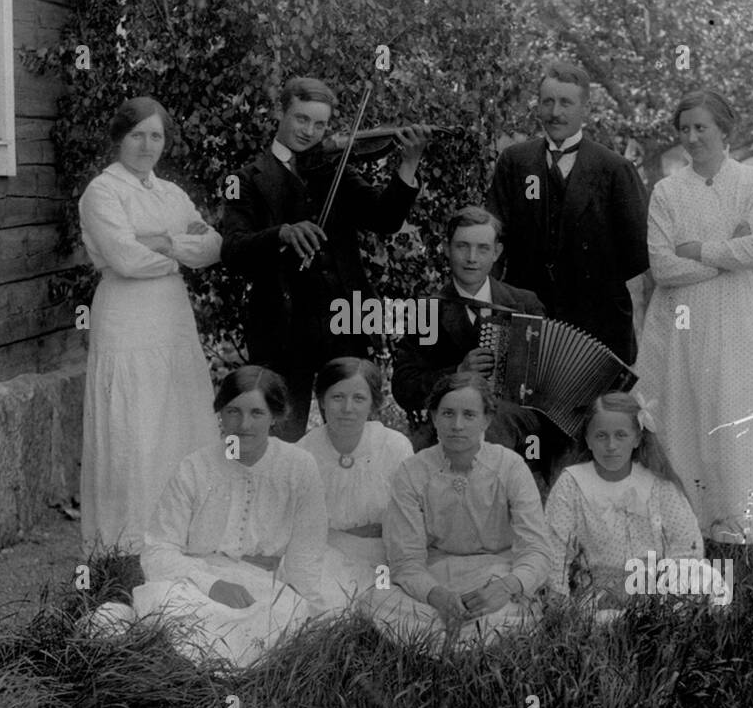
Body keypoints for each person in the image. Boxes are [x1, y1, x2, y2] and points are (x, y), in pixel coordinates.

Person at [221, 77, 433, 441]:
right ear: (280, 112)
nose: (310, 132)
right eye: (302, 119)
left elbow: (384, 218)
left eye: (320, 125)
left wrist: (409, 163)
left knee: (355, 431)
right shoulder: (246, 179)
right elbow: (233, 251)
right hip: (283, 325)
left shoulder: (332, 170)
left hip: (345, 318)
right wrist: (281, 233)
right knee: (282, 436)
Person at [634, 89, 753, 544]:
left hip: (735, 317)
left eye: (702, 127)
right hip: (679, 320)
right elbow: (663, 266)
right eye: (685, 129)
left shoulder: (751, 182)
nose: (693, 137)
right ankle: (685, 526)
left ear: (724, 130)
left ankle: (744, 525)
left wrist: (700, 249)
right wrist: (727, 253)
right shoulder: (667, 191)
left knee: (736, 409)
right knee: (681, 410)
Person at [78, 96, 222, 554]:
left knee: (178, 416)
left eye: (155, 135)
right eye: (136, 134)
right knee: (133, 429)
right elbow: (123, 258)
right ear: (120, 137)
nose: (146, 145)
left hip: (172, 316)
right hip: (126, 317)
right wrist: (175, 245)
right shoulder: (102, 192)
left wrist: (159, 241)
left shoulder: (170, 193)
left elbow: (213, 246)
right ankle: (127, 547)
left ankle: (184, 539)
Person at [132, 367, 331, 666]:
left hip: (266, 584)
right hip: (198, 581)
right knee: (164, 601)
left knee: (282, 616)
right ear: (220, 415)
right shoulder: (195, 468)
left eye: (257, 413)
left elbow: (307, 553)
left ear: (275, 416)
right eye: (233, 411)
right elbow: (157, 550)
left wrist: (306, 612)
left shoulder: (299, 467)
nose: (244, 424)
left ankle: (223, 668)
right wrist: (212, 585)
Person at [372, 372, 555, 645]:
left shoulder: (511, 466)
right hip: (435, 576)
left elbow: (537, 550)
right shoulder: (411, 472)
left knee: (511, 608)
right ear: (433, 417)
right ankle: (461, 636)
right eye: (447, 414)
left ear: (487, 420)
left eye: (469, 415)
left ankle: (455, 638)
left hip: (495, 574)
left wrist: (505, 588)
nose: (457, 425)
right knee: (380, 599)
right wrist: (438, 596)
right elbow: (405, 561)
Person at [485, 60, 649, 364]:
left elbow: (637, 251)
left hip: (597, 322)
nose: (555, 112)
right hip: (526, 318)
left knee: (592, 409)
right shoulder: (514, 162)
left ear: (584, 109)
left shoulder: (615, 169)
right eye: (548, 102)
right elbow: (494, 236)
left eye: (566, 103)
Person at [391, 206, 558, 469]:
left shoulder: (524, 303)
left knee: (491, 427)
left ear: (497, 252)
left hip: (517, 423)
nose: (471, 258)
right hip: (450, 420)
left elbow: (550, 375)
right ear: (447, 249)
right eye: (462, 246)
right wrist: (456, 372)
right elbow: (404, 386)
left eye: (482, 248)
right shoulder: (429, 311)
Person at [545, 392, 704, 612]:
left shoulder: (657, 483)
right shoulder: (573, 482)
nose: (611, 445)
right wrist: (558, 600)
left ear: (637, 438)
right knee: (604, 620)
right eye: (601, 436)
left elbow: (688, 546)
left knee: (700, 601)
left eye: (621, 435)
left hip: (657, 585)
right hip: (597, 591)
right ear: (588, 440)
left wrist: (647, 585)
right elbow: (555, 549)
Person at [296, 358, 413, 602]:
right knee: (327, 602)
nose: (347, 408)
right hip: (327, 554)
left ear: (373, 404)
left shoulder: (393, 446)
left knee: (391, 603)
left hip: (384, 555)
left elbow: (408, 516)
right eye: (337, 397)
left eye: (359, 398)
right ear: (322, 401)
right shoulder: (303, 453)